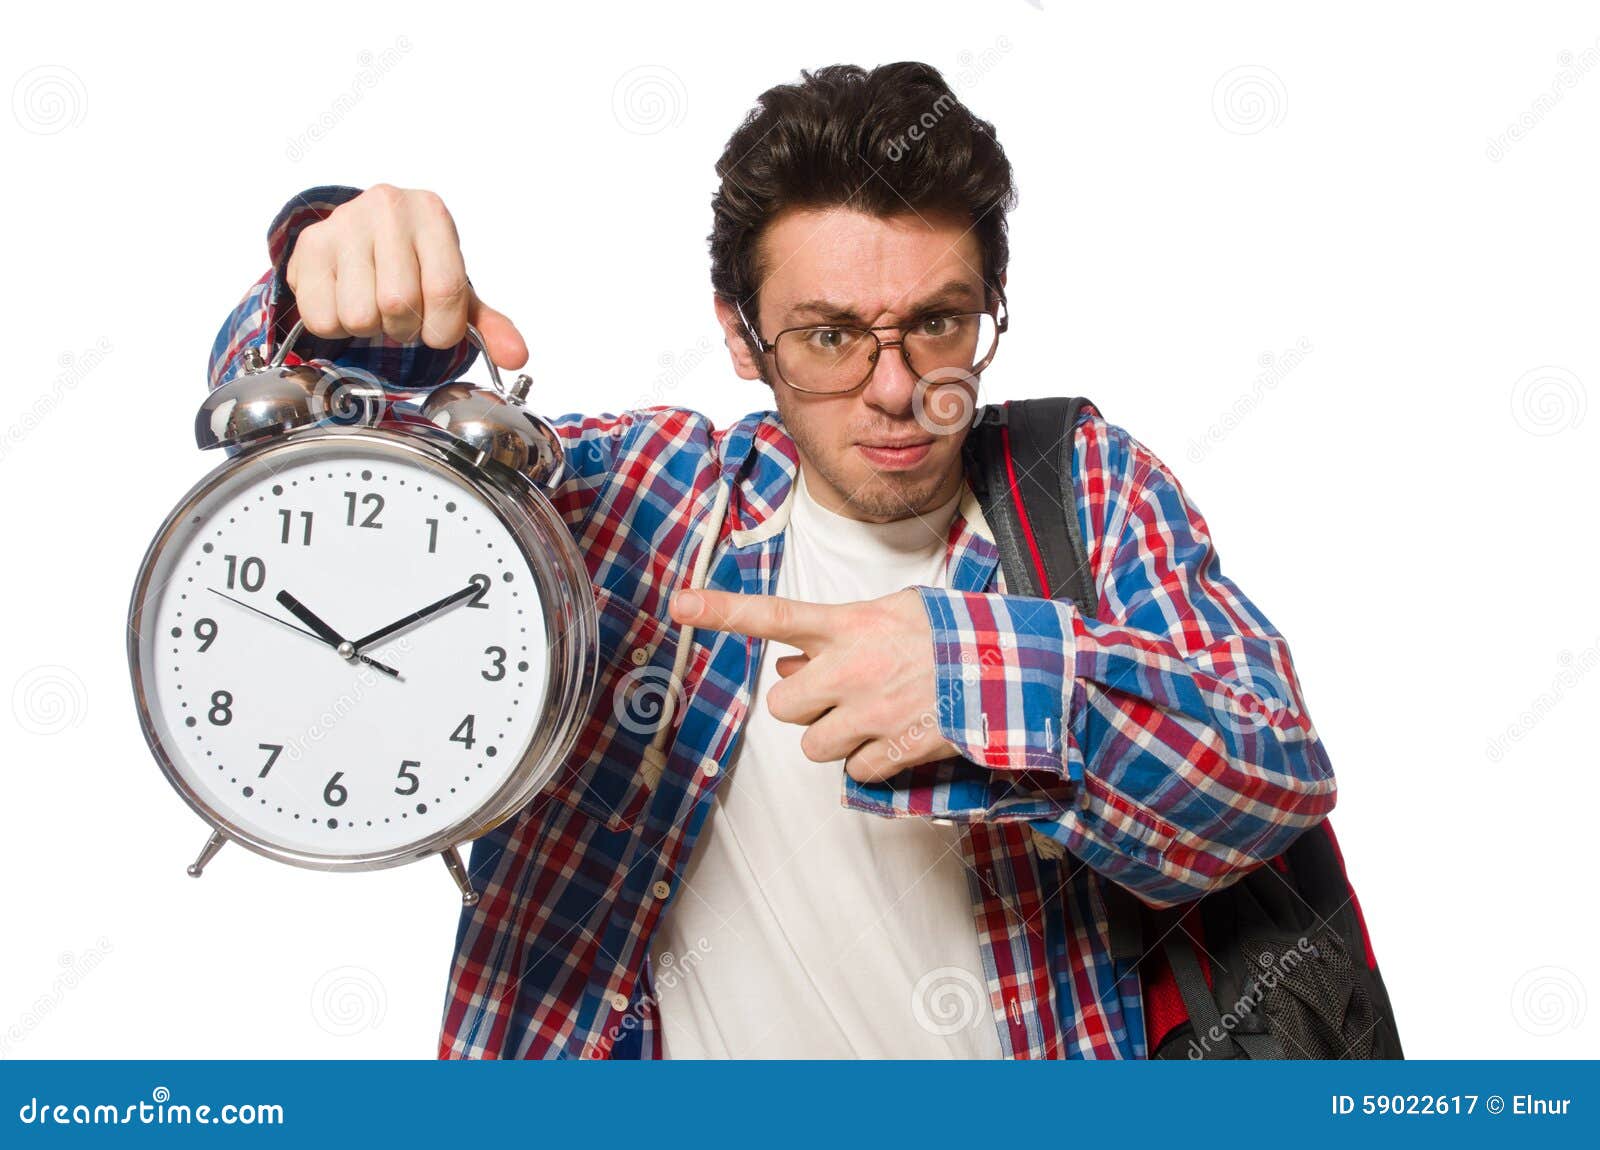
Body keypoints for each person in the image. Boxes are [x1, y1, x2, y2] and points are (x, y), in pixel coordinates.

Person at [207, 62, 1336, 1059]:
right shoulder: (645, 503)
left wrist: (975, 676)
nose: (897, 388)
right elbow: (348, 492)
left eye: (939, 323)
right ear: (742, 337)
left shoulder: (1079, 487)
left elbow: (1271, 767)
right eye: (831, 336)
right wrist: (337, 309)